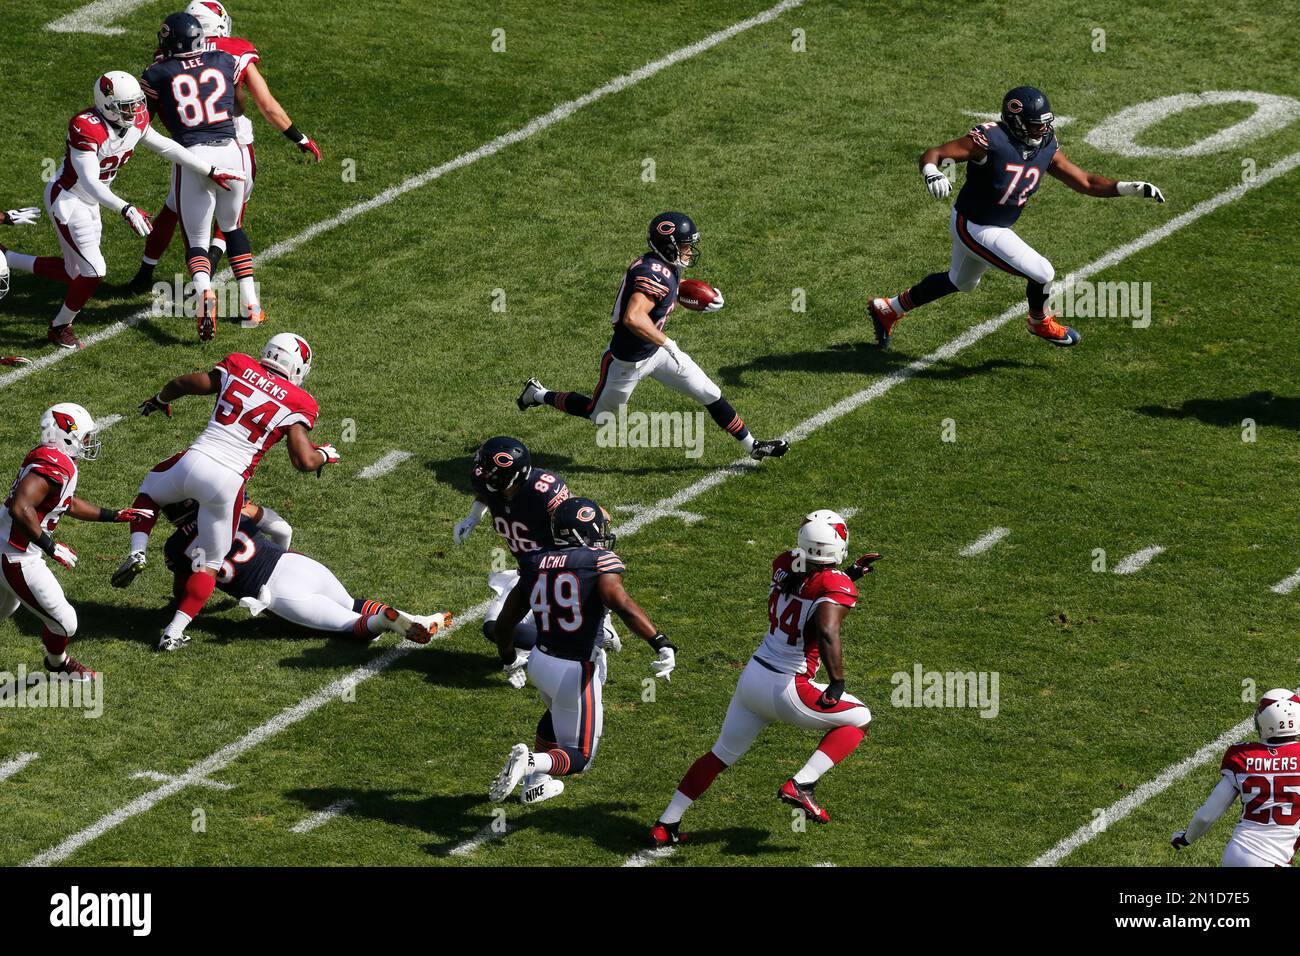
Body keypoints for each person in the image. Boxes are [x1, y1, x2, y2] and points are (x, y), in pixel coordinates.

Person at [867, 86, 1166, 350]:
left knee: (960, 281)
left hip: (988, 224)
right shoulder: (991, 139)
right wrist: (932, 171)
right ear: (1016, 122)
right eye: (1035, 126)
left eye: (1044, 125)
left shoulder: (1046, 144)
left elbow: (1084, 181)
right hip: (975, 225)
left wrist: (1125, 188)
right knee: (1043, 272)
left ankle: (888, 308)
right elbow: (935, 153)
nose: (1042, 131)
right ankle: (1039, 321)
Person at [651, 510, 880, 846]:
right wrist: (837, 681)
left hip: (754, 678)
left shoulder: (785, 562)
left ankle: (665, 824)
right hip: (789, 686)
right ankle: (802, 784)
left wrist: (849, 575)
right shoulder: (834, 584)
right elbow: (828, 629)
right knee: (860, 719)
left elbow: (809, 587)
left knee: (719, 755)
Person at [113, 333, 339, 651]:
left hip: (194, 459)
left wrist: (160, 400)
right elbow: (303, 460)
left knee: (150, 491)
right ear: (297, 366)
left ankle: (138, 550)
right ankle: (173, 633)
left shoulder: (240, 364)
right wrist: (326, 454)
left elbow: (182, 383)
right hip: (228, 481)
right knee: (210, 563)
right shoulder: (298, 400)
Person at [517, 211, 788, 461]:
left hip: (655, 352)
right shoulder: (652, 273)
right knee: (598, 416)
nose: (688, 251)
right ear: (668, 245)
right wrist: (669, 344)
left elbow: (667, 289)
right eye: (684, 245)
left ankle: (753, 447)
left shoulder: (661, 265)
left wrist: (697, 296)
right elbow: (633, 317)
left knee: (709, 392)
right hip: (627, 362)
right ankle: (538, 394)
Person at [488, 498, 676, 805]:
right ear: (582, 532)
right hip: (575, 669)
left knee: (556, 714)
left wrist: (509, 660)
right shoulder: (597, 562)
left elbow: (505, 623)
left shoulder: (534, 561)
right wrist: (660, 641)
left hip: (539, 660)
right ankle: (532, 763)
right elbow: (623, 605)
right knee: (581, 757)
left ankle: (536, 783)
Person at [1, 403, 154, 678]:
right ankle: (58, 664)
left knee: (4, 608)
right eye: (84, 437)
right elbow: (21, 507)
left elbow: (65, 504)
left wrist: (114, 515)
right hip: (16, 555)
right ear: (64, 434)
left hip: (9, 545)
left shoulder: (54, 460)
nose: (87, 443)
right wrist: (51, 546)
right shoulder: (51, 464)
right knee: (65, 622)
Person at [1172, 689, 1300, 867]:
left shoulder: (1244, 755)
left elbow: (1207, 816)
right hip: (1273, 858)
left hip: (1236, 851)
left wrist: (1187, 837)